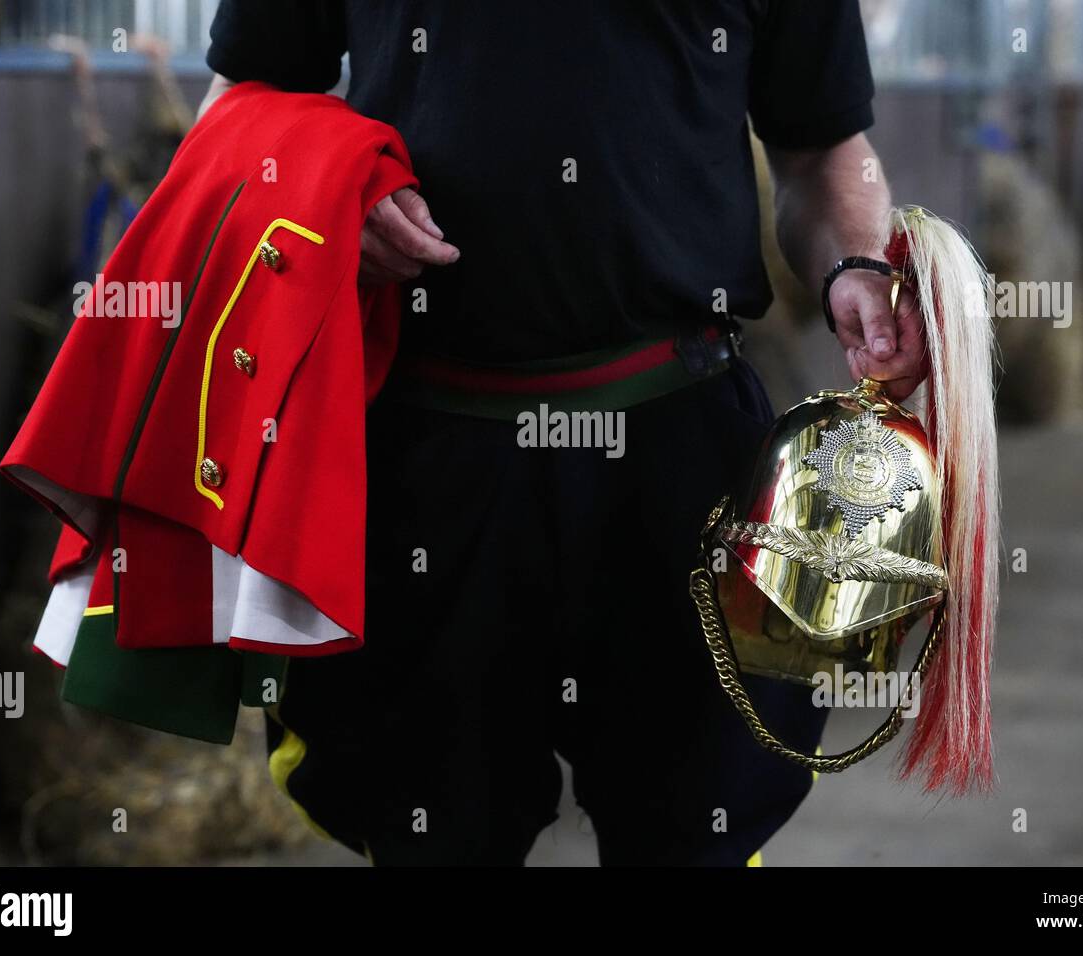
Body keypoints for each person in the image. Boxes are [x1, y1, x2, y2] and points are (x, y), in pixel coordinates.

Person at [200, 0, 928, 866]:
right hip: (424, 459)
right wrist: (323, 189)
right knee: (430, 833)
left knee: (696, 833)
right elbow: (240, 107)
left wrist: (855, 264)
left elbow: (820, 150)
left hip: (681, 459)